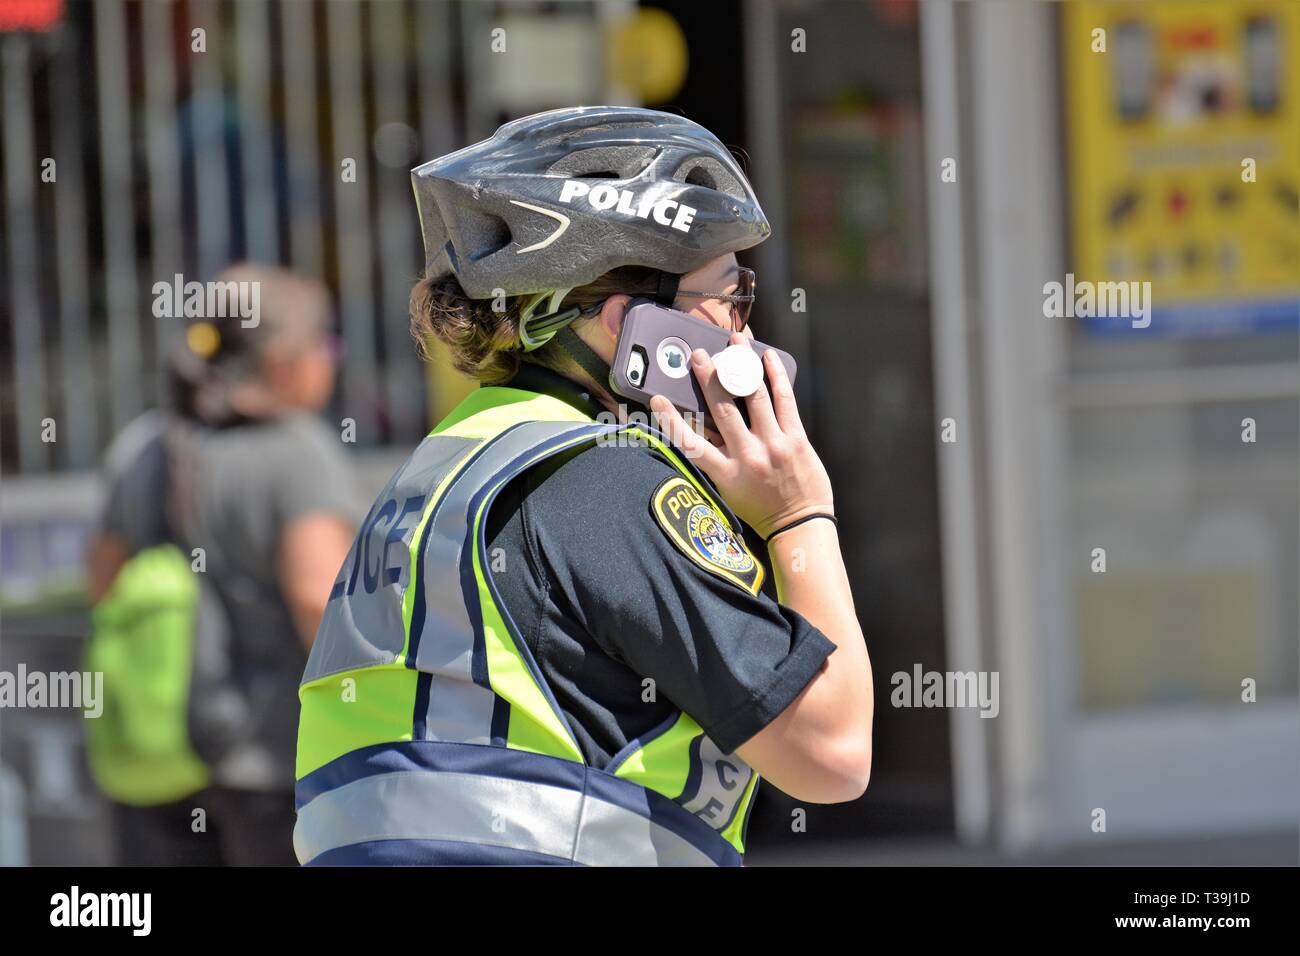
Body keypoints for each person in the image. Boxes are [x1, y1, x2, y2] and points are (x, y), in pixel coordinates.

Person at [293, 106, 873, 866]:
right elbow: (833, 752)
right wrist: (800, 514)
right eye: (730, 298)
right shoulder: (602, 481)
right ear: (631, 326)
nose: (744, 335)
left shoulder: (448, 466)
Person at [87, 264, 361, 866]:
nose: (332, 361)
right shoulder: (298, 454)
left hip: (166, 761)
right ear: (287, 361)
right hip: (275, 765)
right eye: (329, 344)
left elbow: (102, 584)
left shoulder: (142, 446)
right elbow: (322, 605)